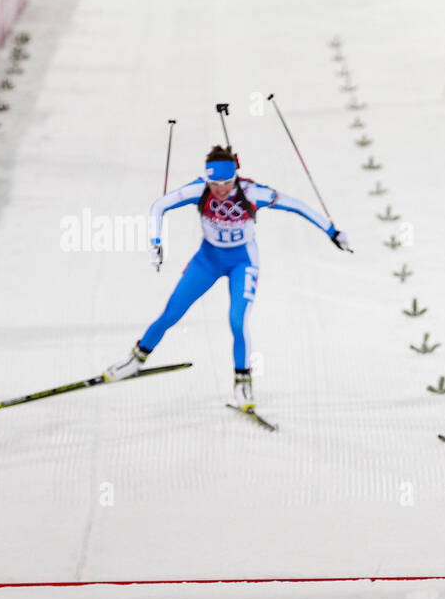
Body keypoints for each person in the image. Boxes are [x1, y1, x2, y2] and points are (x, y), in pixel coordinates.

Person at [103, 146, 350, 411]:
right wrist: (155, 243)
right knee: (170, 314)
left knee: (237, 320)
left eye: (226, 183)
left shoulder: (251, 192)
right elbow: (159, 206)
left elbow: (297, 205)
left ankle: (242, 383)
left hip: (242, 263)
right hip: (207, 261)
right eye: (215, 184)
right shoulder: (200, 189)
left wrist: (333, 232)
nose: (220, 189)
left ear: (235, 177)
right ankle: (134, 361)